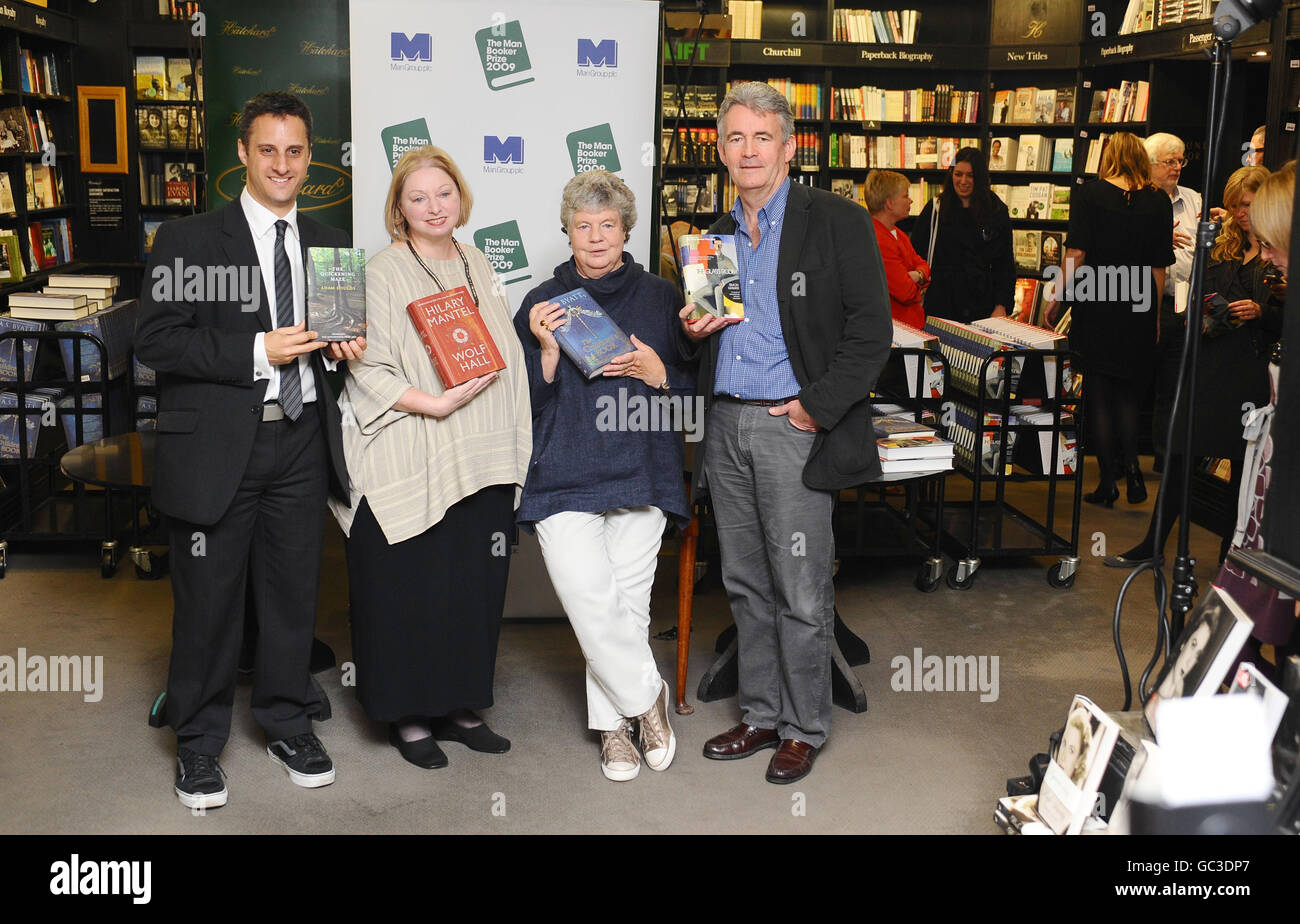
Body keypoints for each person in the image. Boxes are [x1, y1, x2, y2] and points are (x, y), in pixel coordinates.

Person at [135, 91, 366, 809]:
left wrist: (345, 350)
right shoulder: (190, 241)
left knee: (292, 595)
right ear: (241, 154)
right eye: (267, 149)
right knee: (208, 604)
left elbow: (339, 349)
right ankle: (199, 748)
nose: (282, 164)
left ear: (309, 157)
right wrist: (256, 350)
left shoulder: (331, 242)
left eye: (295, 151)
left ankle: (287, 722)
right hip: (218, 447)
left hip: (299, 443)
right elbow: (156, 342)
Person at [682, 81, 892, 785]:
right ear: (720, 148)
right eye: (735, 137)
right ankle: (761, 713)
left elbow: (871, 331)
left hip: (790, 427)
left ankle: (804, 727)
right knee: (743, 582)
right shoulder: (711, 239)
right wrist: (692, 333)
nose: (747, 150)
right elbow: (706, 341)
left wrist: (812, 407)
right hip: (726, 425)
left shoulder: (834, 219)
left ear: (788, 145)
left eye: (760, 137)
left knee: (800, 589)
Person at [329, 146, 530, 769]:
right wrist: (434, 406)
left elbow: (504, 352)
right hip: (411, 447)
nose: (433, 206)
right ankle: (408, 717)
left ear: (461, 196)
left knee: (470, 585)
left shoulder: (478, 261)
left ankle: (460, 706)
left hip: (482, 454)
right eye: (418, 197)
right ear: (399, 208)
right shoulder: (379, 270)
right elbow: (365, 365)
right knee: (406, 589)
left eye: (443, 193)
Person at [513, 170, 691, 782]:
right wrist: (546, 356)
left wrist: (658, 372)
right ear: (566, 233)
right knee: (591, 600)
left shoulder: (664, 299)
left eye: (607, 226)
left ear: (626, 231)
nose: (595, 237)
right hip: (564, 472)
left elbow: (694, 398)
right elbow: (520, 405)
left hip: (643, 470)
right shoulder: (541, 304)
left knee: (628, 608)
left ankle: (614, 728)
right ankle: (648, 701)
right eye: (583, 226)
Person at [1106, 166, 1280, 567]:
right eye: (1235, 204)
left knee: (1242, 464)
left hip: (1251, 370)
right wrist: (1202, 312)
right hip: (1209, 360)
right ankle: (1154, 544)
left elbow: (1286, 315)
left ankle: (1229, 554)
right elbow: (1194, 289)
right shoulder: (1221, 245)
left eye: (1248, 205)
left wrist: (1262, 311)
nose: (1240, 213)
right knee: (1182, 452)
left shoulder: (1279, 250)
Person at [1047, 132, 1173, 506]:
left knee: (1099, 393)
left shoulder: (1090, 195)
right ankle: (1133, 468)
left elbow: (1078, 252)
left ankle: (1108, 481)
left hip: (1099, 297)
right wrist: (1153, 316)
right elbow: (1159, 266)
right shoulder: (1159, 201)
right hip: (1138, 301)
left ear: (1109, 157)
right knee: (1129, 392)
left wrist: (1056, 297)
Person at [1144, 133, 1203, 468]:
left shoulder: (1193, 199)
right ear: (1151, 164)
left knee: (1173, 385)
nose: (1177, 167)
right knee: (1137, 382)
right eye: (1170, 161)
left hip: (1184, 304)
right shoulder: (1137, 200)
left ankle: (1165, 459)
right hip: (1145, 303)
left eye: (1181, 160)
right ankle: (1126, 459)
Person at [910, 147, 1015, 323]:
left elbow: (1004, 266)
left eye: (970, 175)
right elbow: (915, 254)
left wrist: (1001, 305)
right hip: (940, 305)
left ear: (980, 178)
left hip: (982, 306)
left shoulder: (996, 211)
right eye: (958, 174)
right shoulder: (936, 208)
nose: (963, 181)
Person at [866, 169, 929, 329]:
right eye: (905, 195)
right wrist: (920, 282)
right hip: (896, 333)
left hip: (908, 329)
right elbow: (905, 292)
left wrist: (917, 275)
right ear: (889, 203)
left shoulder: (898, 233)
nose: (911, 201)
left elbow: (924, 266)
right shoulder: (878, 240)